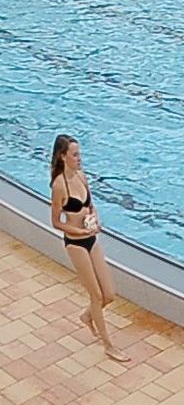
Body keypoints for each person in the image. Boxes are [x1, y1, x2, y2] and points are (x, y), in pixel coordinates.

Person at [49, 135, 129, 362]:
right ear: (62, 156)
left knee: (109, 294)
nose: (79, 158)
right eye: (75, 155)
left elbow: (90, 204)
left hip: (90, 237)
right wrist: (78, 232)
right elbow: (56, 221)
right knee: (95, 294)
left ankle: (87, 316)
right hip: (75, 242)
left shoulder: (82, 177)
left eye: (79, 154)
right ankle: (109, 345)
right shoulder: (59, 185)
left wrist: (96, 219)